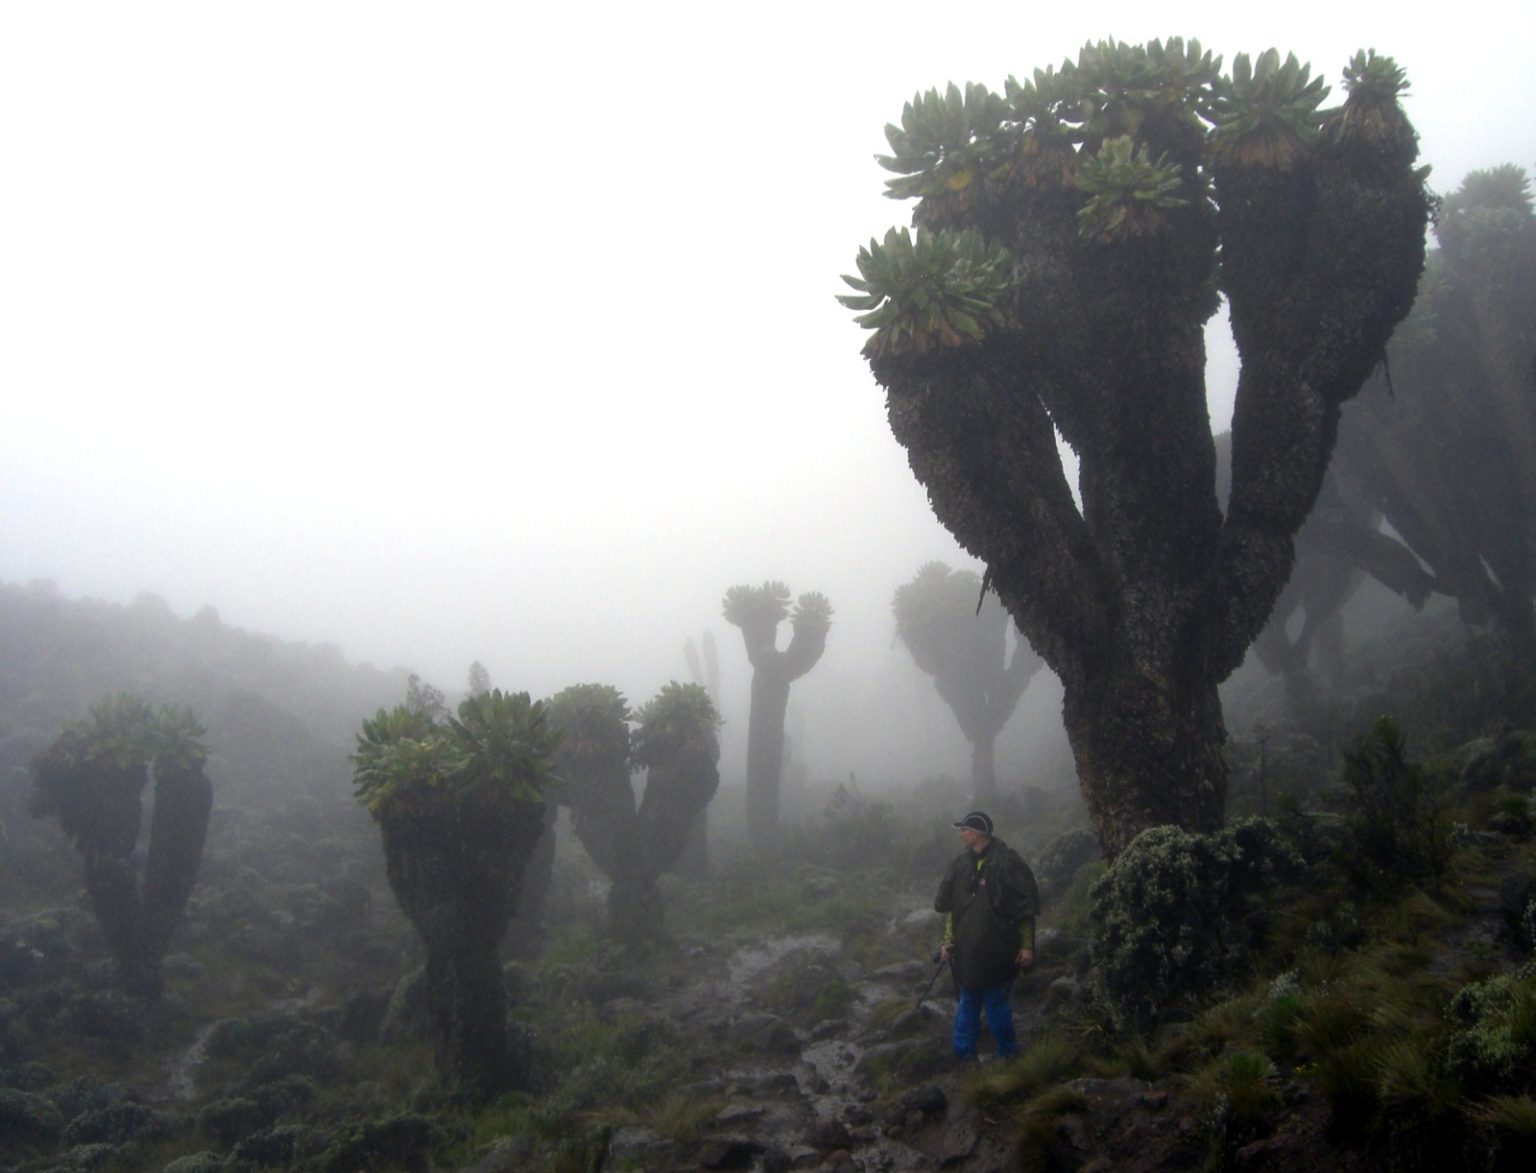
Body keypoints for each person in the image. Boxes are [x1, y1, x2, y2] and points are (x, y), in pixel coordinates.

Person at [934, 809, 1039, 1061]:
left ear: (977, 833)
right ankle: (964, 1059)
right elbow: (952, 909)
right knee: (967, 1007)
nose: (961, 834)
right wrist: (948, 942)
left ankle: (1008, 1056)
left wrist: (1026, 946)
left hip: (999, 950)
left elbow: (1024, 911)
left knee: (996, 1007)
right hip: (967, 953)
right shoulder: (961, 864)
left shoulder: (1008, 862)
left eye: (964, 830)